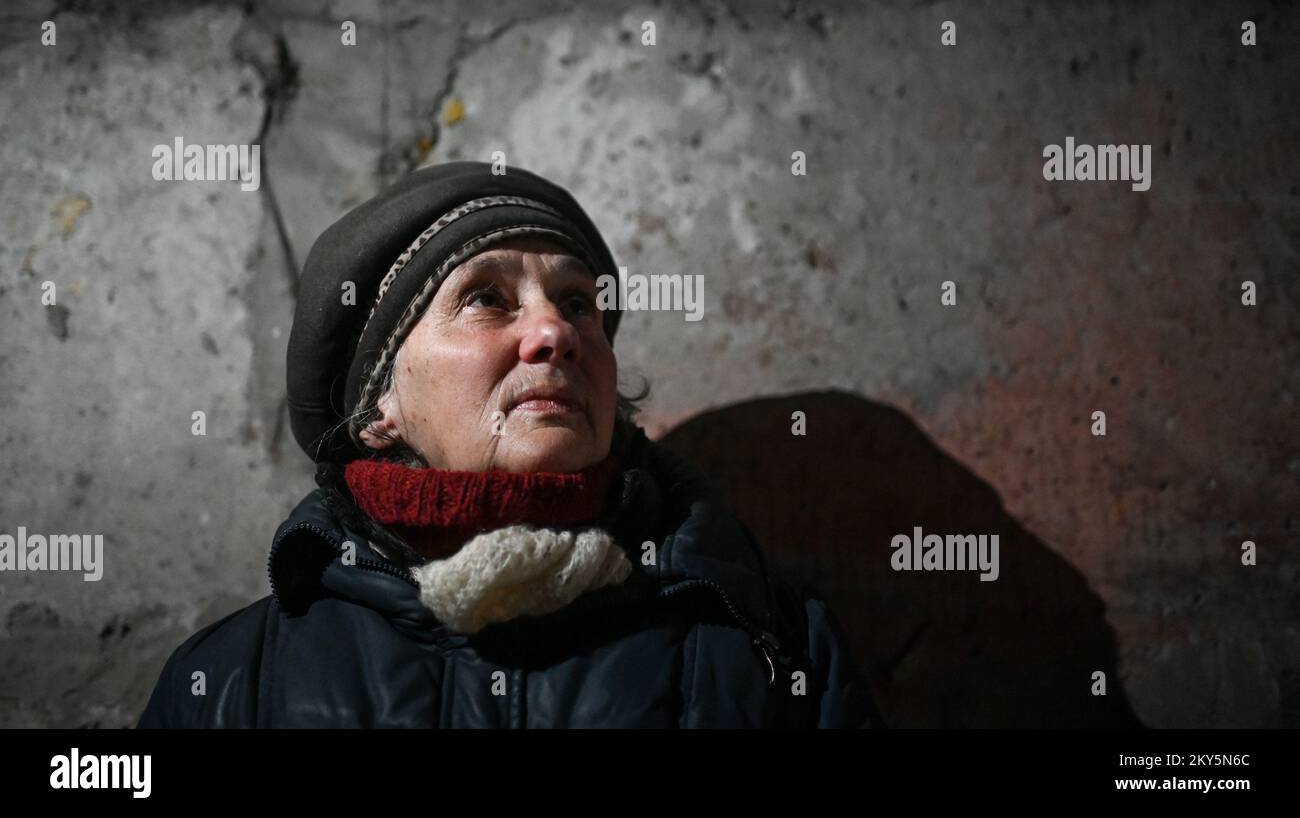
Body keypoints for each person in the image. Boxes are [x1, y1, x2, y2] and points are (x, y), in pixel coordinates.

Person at [137, 161, 884, 728]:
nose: (555, 332)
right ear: (378, 410)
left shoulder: (775, 652)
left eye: (577, 304)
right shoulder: (235, 682)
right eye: (487, 298)